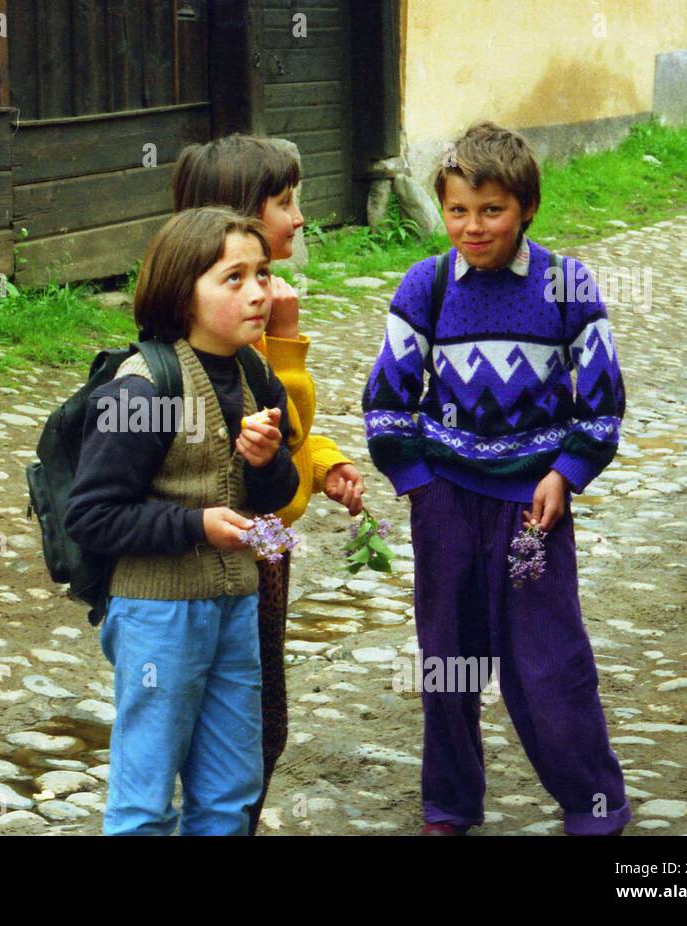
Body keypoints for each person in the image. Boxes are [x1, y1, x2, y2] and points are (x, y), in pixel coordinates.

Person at [362, 121, 631, 836]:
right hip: (447, 500)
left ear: (527, 208)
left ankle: (593, 802)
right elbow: (389, 398)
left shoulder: (566, 285)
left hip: (532, 507)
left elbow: (601, 399)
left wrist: (568, 474)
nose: (472, 227)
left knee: (548, 664)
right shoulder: (425, 285)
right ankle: (450, 802)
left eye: (492, 210)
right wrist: (418, 483)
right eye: (457, 210)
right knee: (448, 662)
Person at [65, 207, 300, 835]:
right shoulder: (142, 390)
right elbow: (90, 515)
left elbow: (280, 492)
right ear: (182, 292)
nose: (259, 292)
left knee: (231, 790)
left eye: (263, 273)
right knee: (144, 801)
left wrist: (268, 462)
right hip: (159, 617)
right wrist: (197, 526)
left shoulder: (256, 376)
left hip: (235, 607)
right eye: (233, 278)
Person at [172, 135, 364, 833]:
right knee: (250, 726)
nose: (301, 217)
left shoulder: (228, 305)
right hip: (242, 550)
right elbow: (272, 439)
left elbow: (295, 441)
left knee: (249, 722)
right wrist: (285, 340)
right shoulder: (234, 323)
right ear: (240, 218)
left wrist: (327, 461)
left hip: (261, 548)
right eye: (285, 202)